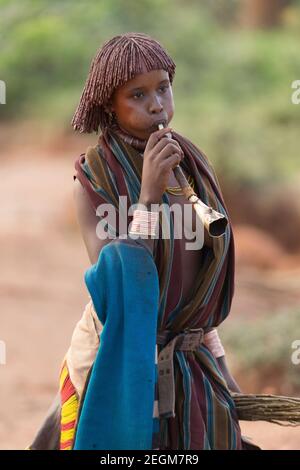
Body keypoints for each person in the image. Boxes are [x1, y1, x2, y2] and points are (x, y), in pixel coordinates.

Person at [29, 32, 256, 451]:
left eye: (163, 88)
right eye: (137, 94)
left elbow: (198, 290)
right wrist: (148, 198)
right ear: (107, 106)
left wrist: (223, 370)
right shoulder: (94, 177)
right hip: (118, 362)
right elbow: (117, 289)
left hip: (192, 364)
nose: (156, 105)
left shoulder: (195, 166)